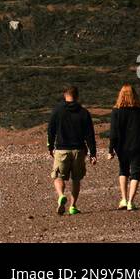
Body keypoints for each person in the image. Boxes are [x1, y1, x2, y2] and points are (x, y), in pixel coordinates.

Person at [47, 85, 96, 216]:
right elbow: (90, 134)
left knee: (58, 176)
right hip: (79, 150)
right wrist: (93, 153)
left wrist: (50, 146)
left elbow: (51, 130)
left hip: (62, 149)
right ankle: (73, 206)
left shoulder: (57, 111)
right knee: (76, 179)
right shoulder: (84, 112)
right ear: (77, 96)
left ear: (64, 95)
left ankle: (61, 195)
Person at [108, 84, 140, 211]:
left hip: (122, 147)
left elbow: (113, 132)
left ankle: (124, 199)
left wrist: (111, 149)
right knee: (136, 173)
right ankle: (131, 201)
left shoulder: (116, 111)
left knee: (123, 170)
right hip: (138, 146)